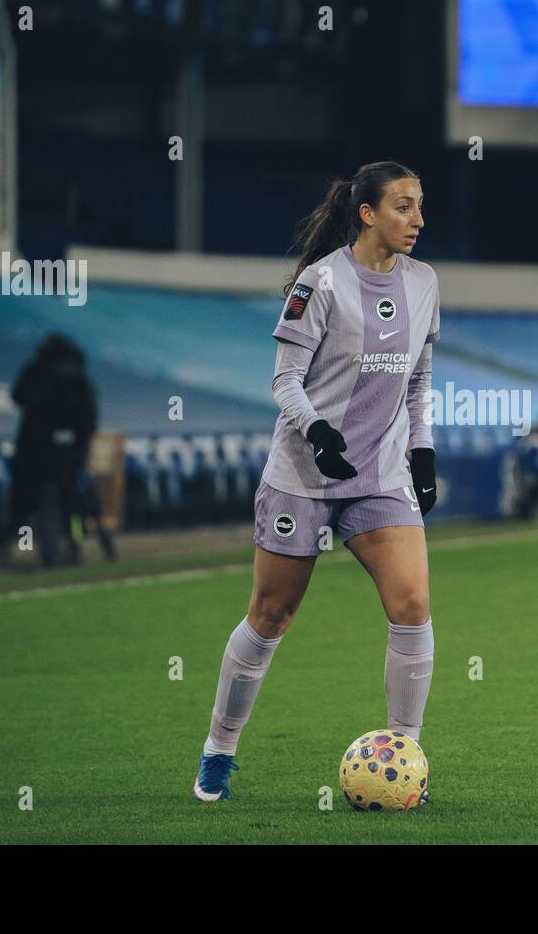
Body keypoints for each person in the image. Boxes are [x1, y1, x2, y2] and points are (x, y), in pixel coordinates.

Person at [193, 161, 439, 803]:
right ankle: (219, 750)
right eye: (404, 207)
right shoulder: (320, 281)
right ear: (367, 213)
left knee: (412, 607)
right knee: (271, 614)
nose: (417, 219)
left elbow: (417, 380)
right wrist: (319, 433)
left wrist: (423, 452)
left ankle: (406, 759)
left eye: (419, 207)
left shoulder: (425, 283)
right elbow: (284, 381)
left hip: (379, 477)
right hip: (303, 475)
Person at [0, 332, 98, 566]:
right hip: (50, 454)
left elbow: (19, 396)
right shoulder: (67, 378)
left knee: (33, 503)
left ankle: (65, 545)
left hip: (42, 453)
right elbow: (88, 421)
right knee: (50, 504)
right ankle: (68, 544)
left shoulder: (51, 377)